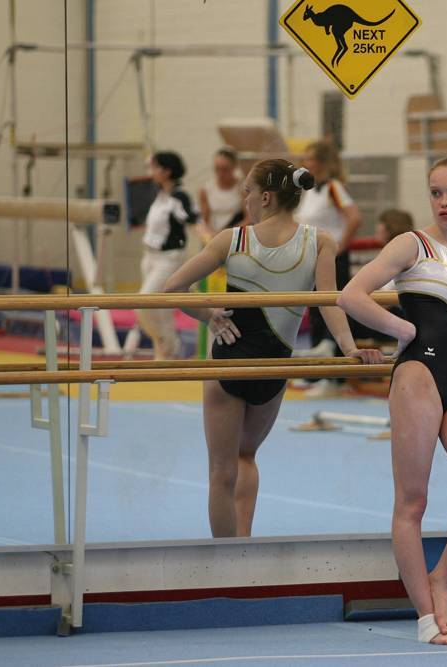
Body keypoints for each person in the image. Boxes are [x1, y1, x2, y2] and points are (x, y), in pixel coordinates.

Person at [163, 159, 384, 538]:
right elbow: (329, 302)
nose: (244, 199)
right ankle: (244, 547)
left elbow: (171, 290)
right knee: (246, 456)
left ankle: (226, 558)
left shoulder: (231, 240)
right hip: (274, 367)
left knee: (221, 471)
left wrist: (209, 315)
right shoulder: (320, 242)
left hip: (228, 364)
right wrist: (349, 349)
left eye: (247, 192)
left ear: (265, 197)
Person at [338, 158, 447, 646]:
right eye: (436, 193)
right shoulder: (412, 244)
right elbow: (352, 294)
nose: (445, 202)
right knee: (413, 501)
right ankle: (427, 618)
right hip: (418, 376)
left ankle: (441, 577)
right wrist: (403, 329)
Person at [294, 141, 363, 395]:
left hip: (332, 257)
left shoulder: (333, 187)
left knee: (332, 312)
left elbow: (354, 217)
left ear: (321, 163)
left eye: (309, 159)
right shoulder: (310, 190)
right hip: (313, 257)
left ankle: (334, 378)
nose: (305, 163)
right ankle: (316, 372)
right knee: (315, 313)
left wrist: (339, 247)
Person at [137, 151, 198, 360]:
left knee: (143, 302)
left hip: (169, 259)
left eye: (154, 168)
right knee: (160, 310)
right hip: (149, 257)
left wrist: (211, 238)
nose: (150, 172)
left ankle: (170, 345)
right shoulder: (159, 194)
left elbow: (193, 220)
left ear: (167, 171)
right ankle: (164, 352)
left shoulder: (179, 196)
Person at [197, 147, 243, 241]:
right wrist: (207, 233)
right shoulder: (206, 190)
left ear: (234, 167)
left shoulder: (242, 188)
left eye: (225, 170)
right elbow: (205, 219)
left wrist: (227, 233)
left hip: (236, 236)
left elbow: (250, 218)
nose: (220, 174)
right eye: (217, 169)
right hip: (214, 236)